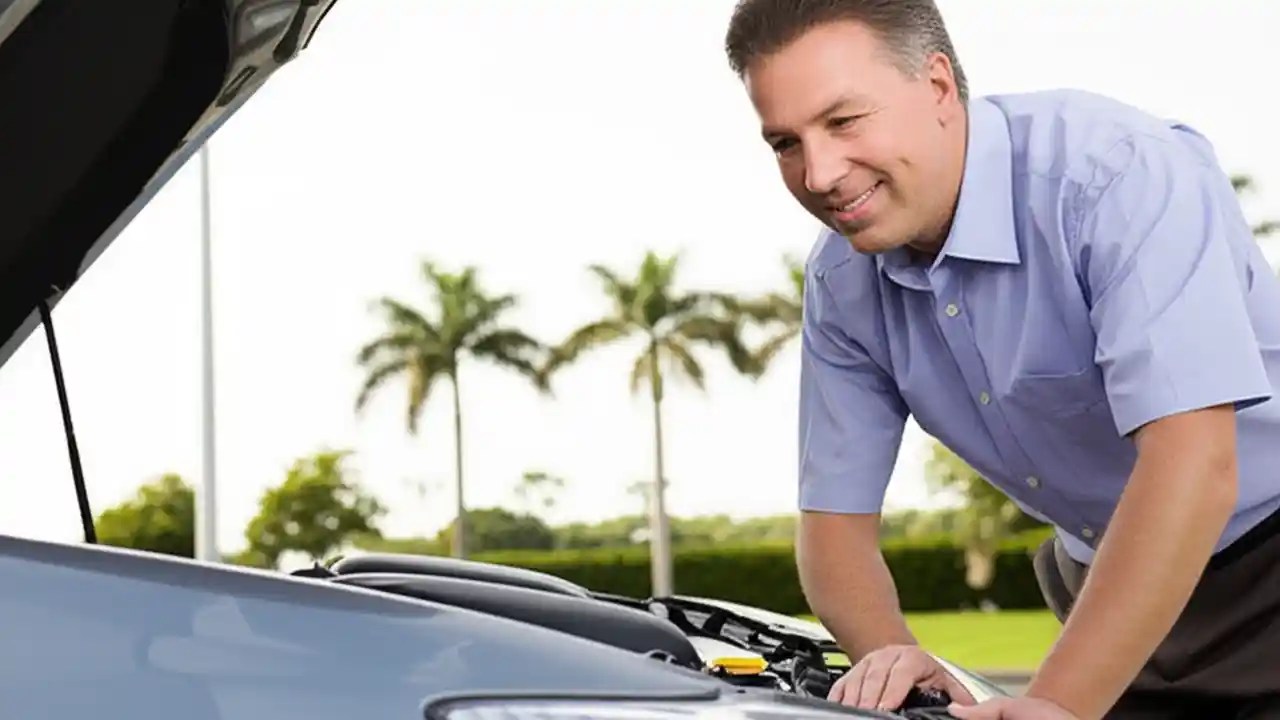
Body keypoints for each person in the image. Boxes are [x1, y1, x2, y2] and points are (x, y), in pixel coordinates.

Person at [721, 1, 1280, 719]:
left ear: (938, 86)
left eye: (843, 121)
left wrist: (1059, 702)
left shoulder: (1117, 173)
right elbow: (832, 532)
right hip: (1112, 593)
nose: (820, 173)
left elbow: (1195, 466)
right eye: (785, 143)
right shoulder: (840, 281)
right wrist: (894, 658)